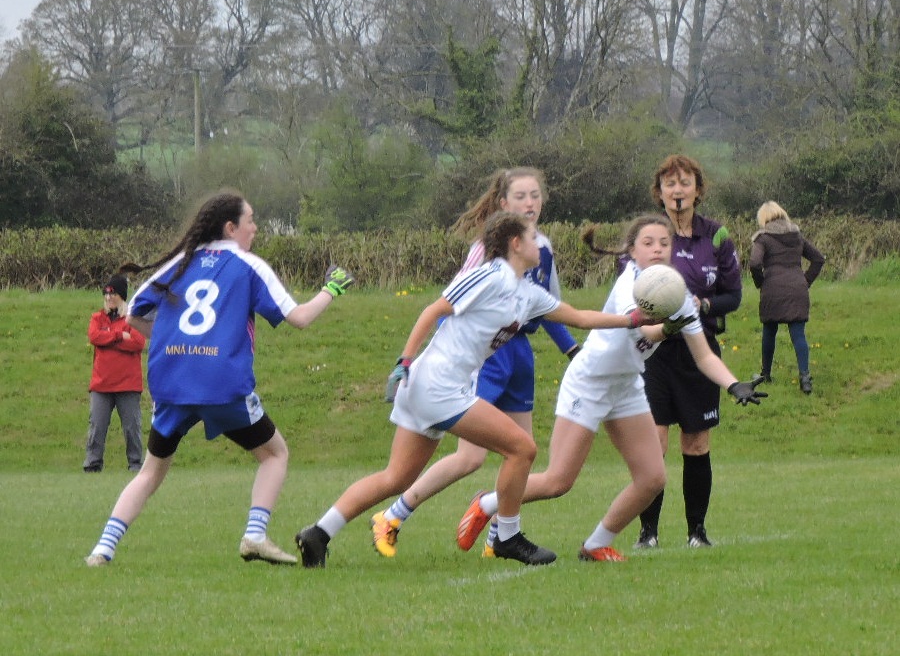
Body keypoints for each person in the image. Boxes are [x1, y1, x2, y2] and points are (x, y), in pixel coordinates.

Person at [295, 210, 656, 569]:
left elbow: (579, 317)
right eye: (533, 238)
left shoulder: (527, 293)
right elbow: (433, 309)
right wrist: (404, 360)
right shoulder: (489, 275)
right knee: (522, 448)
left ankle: (318, 533)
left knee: (397, 477)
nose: (540, 244)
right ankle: (508, 537)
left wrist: (632, 319)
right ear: (515, 244)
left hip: (437, 388)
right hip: (435, 384)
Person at [454, 215, 766, 562]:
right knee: (558, 481)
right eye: (648, 243)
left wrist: (733, 384)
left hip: (626, 385)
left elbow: (705, 356)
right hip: (589, 383)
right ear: (632, 251)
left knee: (651, 478)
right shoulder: (631, 284)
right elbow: (646, 331)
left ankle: (595, 545)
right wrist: (668, 327)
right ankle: (487, 503)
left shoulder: (677, 293)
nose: (658, 249)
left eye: (664, 242)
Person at [85, 190, 354, 567]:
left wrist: (173, 339)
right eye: (250, 220)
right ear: (231, 227)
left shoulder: (181, 262)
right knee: (275, 454)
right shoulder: (248, 265)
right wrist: (332, 288)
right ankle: (255, 535)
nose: (255, 228)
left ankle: (102, 550)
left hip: (173, 383)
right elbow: (300, 318)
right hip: (222, 384)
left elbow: (133, 315)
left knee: (150, 472)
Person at [370, 167, 580, 559]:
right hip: (489, 355)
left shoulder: (542, 248)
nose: (530, 203)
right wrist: (446, 358)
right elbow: (457, 308)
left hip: (520, 356)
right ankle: (393, 515)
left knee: (524, 449)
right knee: (471, 457)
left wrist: (572, 350)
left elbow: (551, 309)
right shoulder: (488, 251)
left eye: (535, 195)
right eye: (520, 197)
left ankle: (498, 537)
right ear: (503, 204)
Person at [636, 154, 744, 550]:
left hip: (700, 351)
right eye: (670, 184)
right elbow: (628, 292)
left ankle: (697, 533)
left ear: (698, 189)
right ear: (659, 192)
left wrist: (705, 306)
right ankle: (647, 534)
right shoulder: (648, 236)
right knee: (655, 444)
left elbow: (734, 295)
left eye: (685, 183)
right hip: (655, 353)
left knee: (696, 444)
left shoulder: (716, 236)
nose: (677, 191)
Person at [749, 201, 825, 394]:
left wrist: (760, 282)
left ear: (764, 218)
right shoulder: (797, 236)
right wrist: (805, 281)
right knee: (798, 335)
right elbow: (818, 259)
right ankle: (805, 378)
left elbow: (755, 263)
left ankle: (765, 374)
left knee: (769, 331)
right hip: (797, 290)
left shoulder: (763, 238)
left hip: (772, 290)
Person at [83, 274, 147, 473]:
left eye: (114, 294)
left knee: (131, 428)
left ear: (122, 296)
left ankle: (135, 465)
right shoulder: (97, 318)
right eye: (107, 294)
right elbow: (95, 336)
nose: (109, 298)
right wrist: (119, 336)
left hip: (128, 384)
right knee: (97, 427)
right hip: (101, 385)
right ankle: (93, 464)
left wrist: (109, 340)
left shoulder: (132, 318)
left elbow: (138, 342)